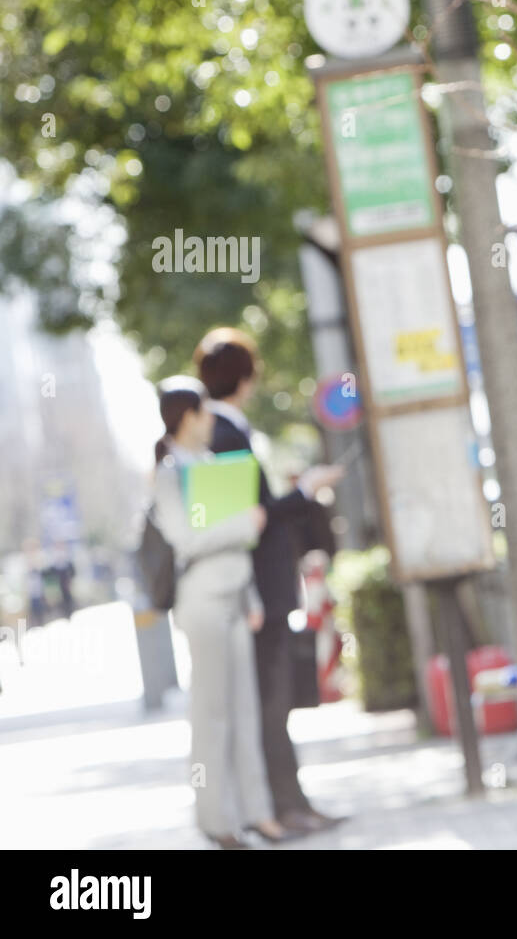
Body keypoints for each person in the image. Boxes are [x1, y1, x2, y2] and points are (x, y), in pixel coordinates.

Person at [193, 328, 345, 834]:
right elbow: (249, 518)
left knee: (271, 700)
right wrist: (305, 490)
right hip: (259, 589)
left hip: (255, 589)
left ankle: (287, 802)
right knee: (270, 702)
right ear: (244, 375)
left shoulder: (218, 430)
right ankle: (282, 807)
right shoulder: (225, 433)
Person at [151, 375, 300, 849]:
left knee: (245, 710)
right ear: (189, 416)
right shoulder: (169, 473)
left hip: (237, 597)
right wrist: (243, 523)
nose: (211, 420)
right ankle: (216, 821)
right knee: (212, 713)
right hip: (204, 600)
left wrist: (252, 598)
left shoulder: (215, 464)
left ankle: (257, 812)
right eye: (205, 412)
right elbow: (186, 540)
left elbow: (240, 546)